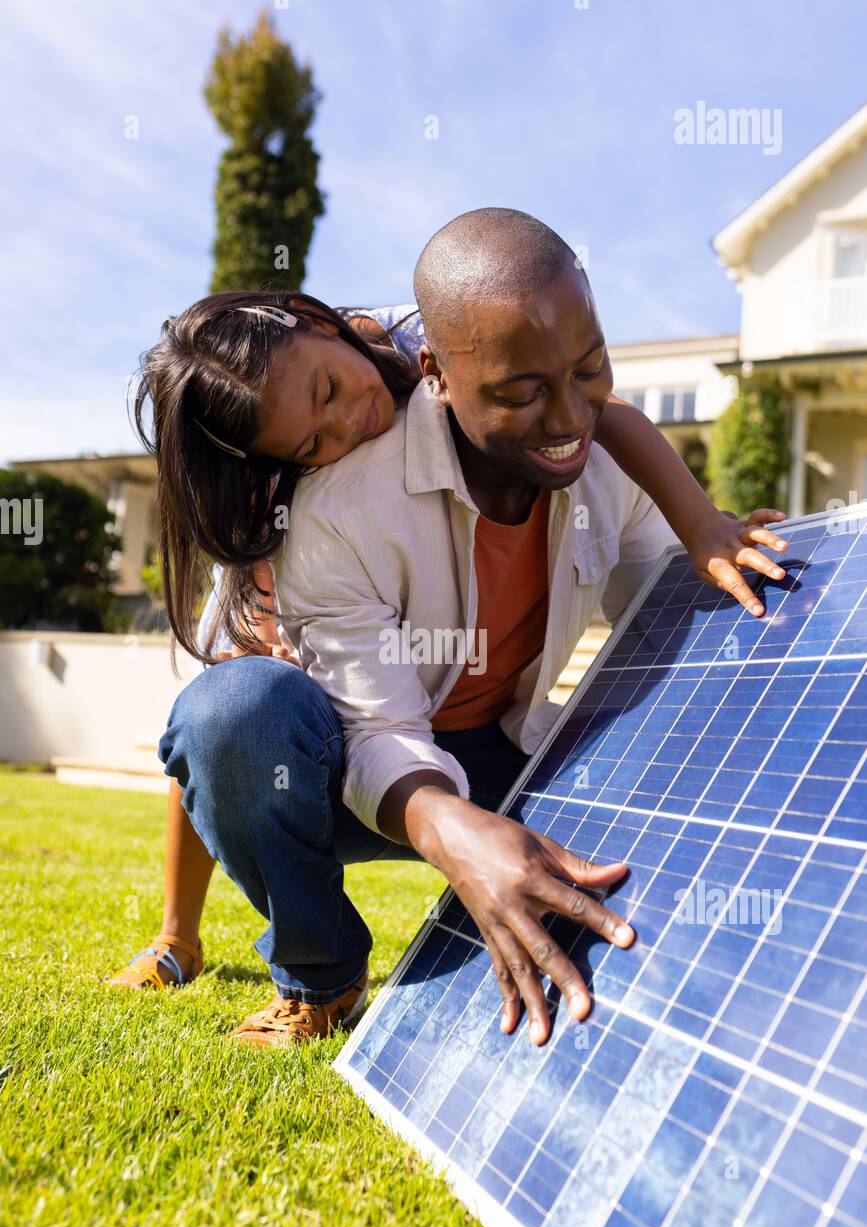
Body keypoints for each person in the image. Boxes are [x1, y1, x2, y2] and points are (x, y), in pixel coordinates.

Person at [142, 208, 788, 1047]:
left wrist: (713, 534)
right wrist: (176, 934)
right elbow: (283, 743)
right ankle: (322, 976)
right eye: (312, 438)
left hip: (507, 749)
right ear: (441, 374)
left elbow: (656, 590)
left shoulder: (579, 437)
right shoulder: (323, 518)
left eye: (334, 391)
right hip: (354, 773)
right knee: (230, 711)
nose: (564, 417)